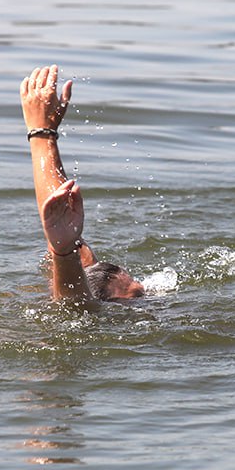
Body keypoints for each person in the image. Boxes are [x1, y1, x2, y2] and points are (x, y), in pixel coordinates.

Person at [20, 64, 145, 302]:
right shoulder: (92, 317)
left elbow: (65, 229)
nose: (150, 299)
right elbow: (76, 303)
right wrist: (63, 251)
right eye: (138, 296)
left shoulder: (98, 285)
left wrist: (44, 134)